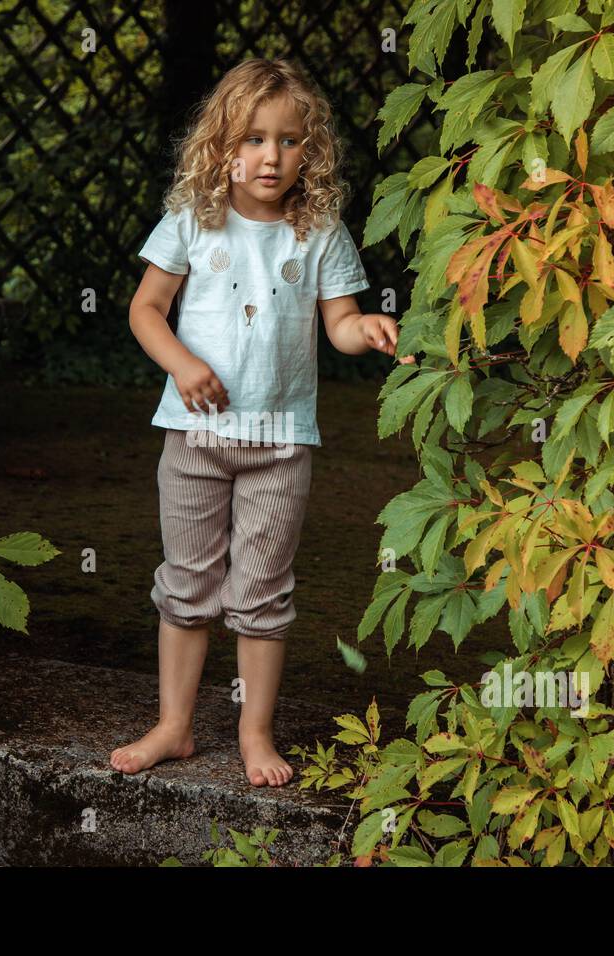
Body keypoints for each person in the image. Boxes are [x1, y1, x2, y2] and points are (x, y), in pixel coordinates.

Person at [113, 57, 412, 787]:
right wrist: (183, 365)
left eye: (287, 140)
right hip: (195, 439)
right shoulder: (192, 222)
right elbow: (144, 311)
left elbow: (337, 324)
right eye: (251, 138)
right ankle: (175, 726)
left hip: (281, 446)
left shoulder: (320, 232)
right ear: (220, 145)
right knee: (186, 586)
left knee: (262, 594)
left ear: (311, 151)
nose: (269, 156)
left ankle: (254, 732)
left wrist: (366, 326)